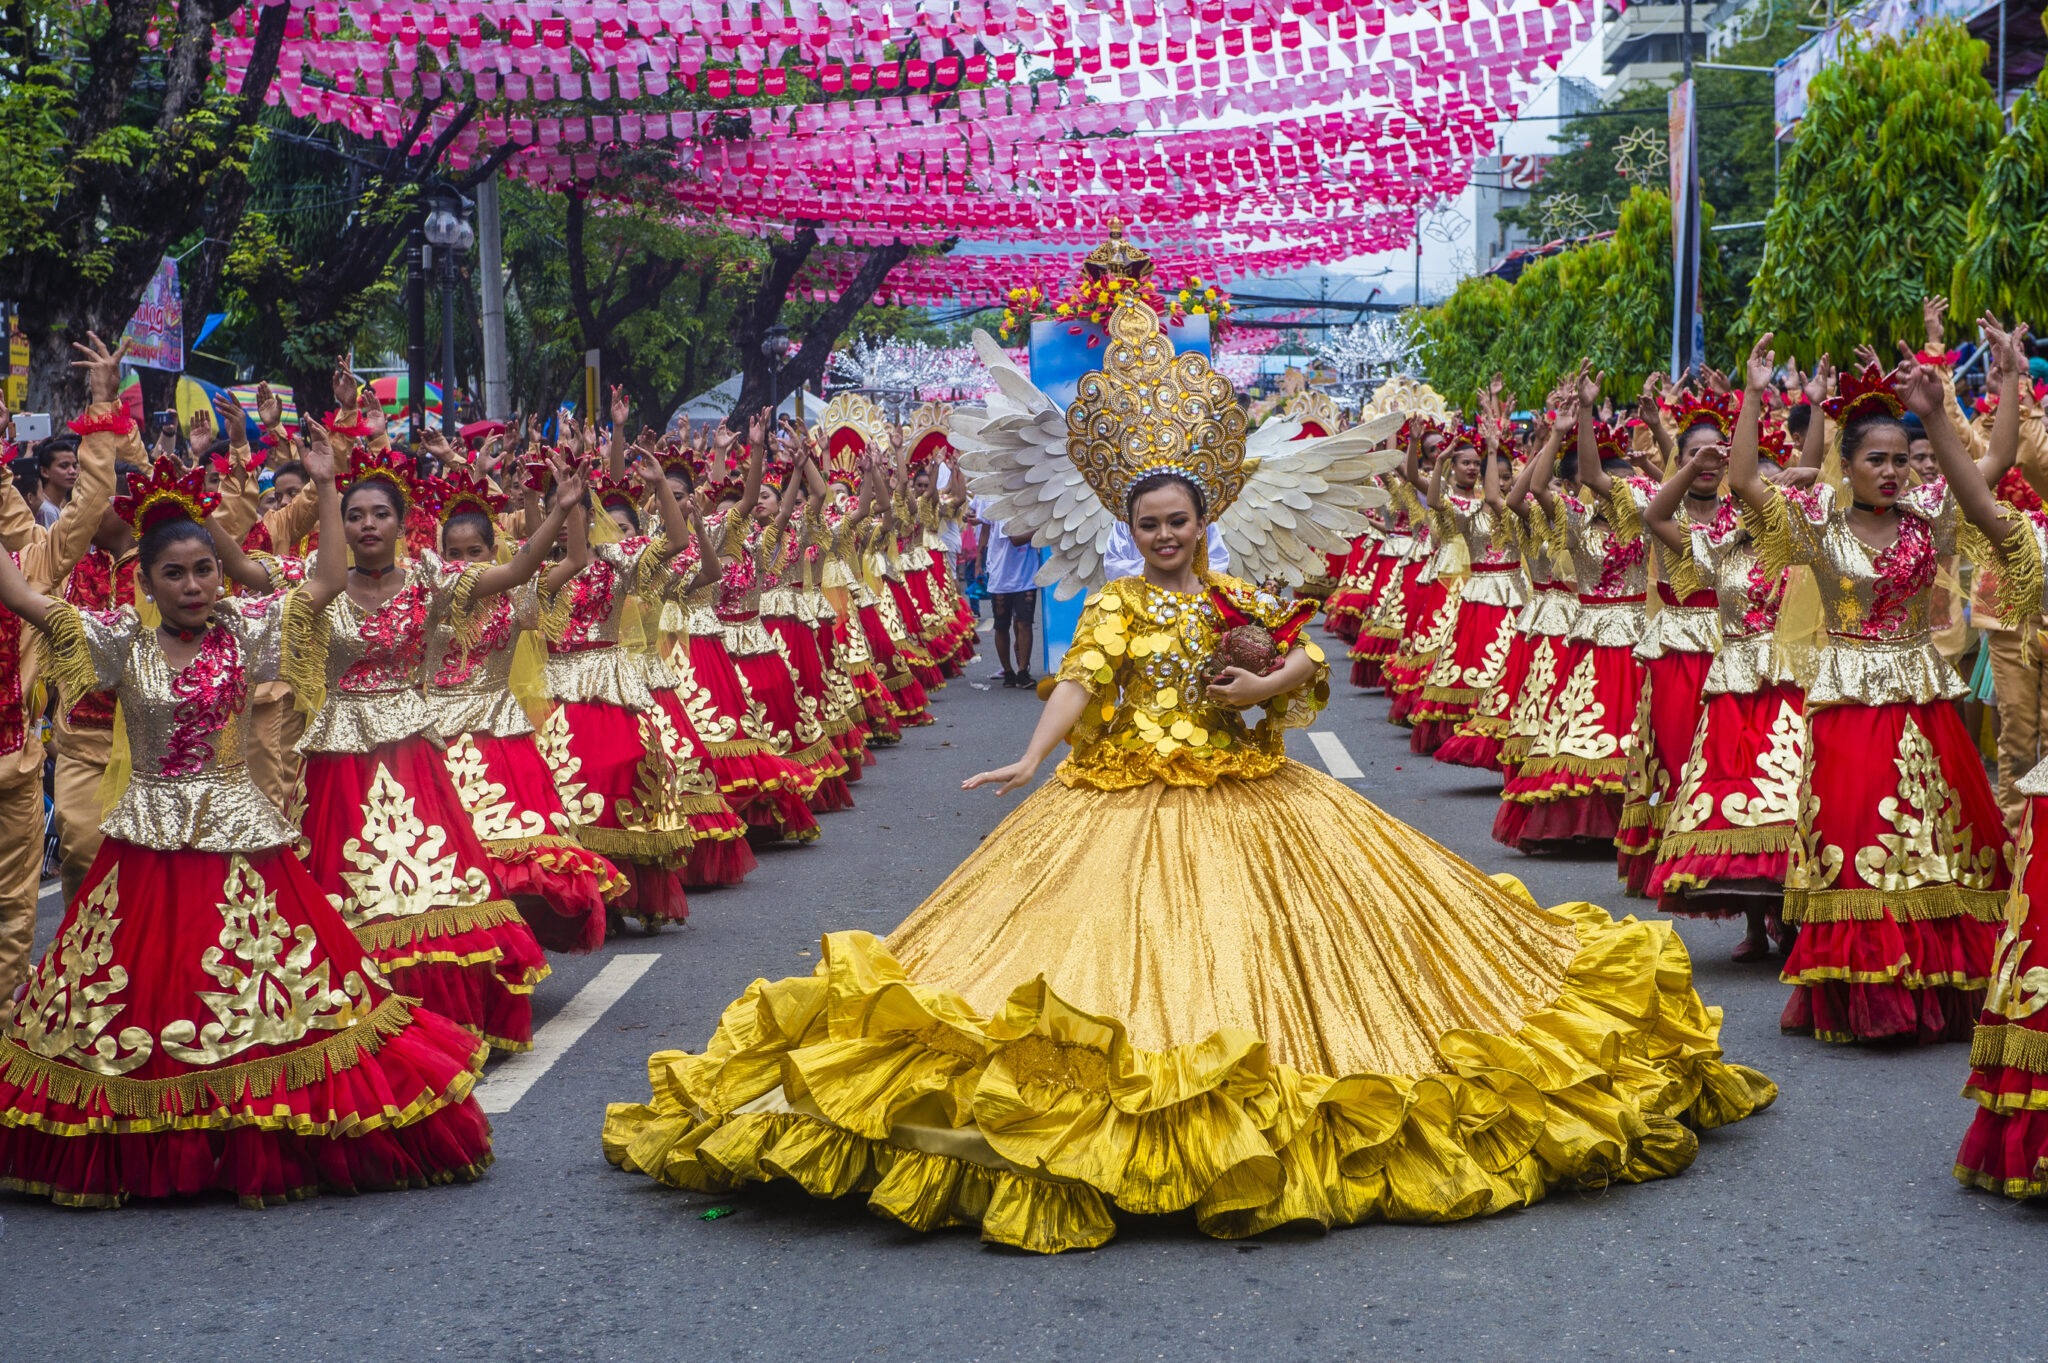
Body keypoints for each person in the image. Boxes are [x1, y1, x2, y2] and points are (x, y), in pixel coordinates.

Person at [603, 275, 1775, 1253]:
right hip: (1119, 800)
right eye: (1149, 521)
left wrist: (1264, 685)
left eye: (1179, 520)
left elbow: (1304, 669)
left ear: (1205, 520)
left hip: (1259, 797)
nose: (1165, 535)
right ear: (1132, 525)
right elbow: (1081, 678)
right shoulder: (1114, 601)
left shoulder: (1239, 593)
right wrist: (1026, 757)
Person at [0, 393, 492, 1208]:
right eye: (175, 574)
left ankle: (250, 1128)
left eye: (203, 569)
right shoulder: (118, 639)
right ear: (147, 581)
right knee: (143, 1002)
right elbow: (24, 598)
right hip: (149, 841)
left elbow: (329, 577)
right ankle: (170, 1139)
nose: (194, 585)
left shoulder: (246, 625)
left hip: (238, 834)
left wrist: (328, 488)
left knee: (269, 990)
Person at [1728, 335, 2020, 1044]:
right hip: (1850, 706)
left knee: (1938, 839)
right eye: (1875, 459)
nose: (1891, 472)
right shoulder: (1813, 524)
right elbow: (1742, 482)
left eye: (1898, 459)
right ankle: (1867, 992)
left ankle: (1940, 989)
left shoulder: (1928, 517)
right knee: (1860, 839)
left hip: (1921, 702)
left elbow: (1996, 463)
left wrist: (2004, 380)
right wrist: (1754, 392)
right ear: (1846, 465)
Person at [0, 335, 123, 1002]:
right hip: (53, 751)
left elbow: (84, 503)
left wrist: (102, 405)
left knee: (21, 906)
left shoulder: (36, 562)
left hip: (20, 760)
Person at [976, 494, 1042, 688]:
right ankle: (1008, 671)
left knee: (1025, 622)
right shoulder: (992, 498)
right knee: (1001, 625)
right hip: (1001, 573)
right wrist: (1044, 530)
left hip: (1026, 573)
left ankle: (1022, 671)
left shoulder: (1031, 493)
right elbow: (1013, 538)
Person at [35, 436, 80, 529]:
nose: (72, 471)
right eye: (64, 466)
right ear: (44, 471)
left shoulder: (57, 507)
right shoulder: (46, 510)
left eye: (74, 466)